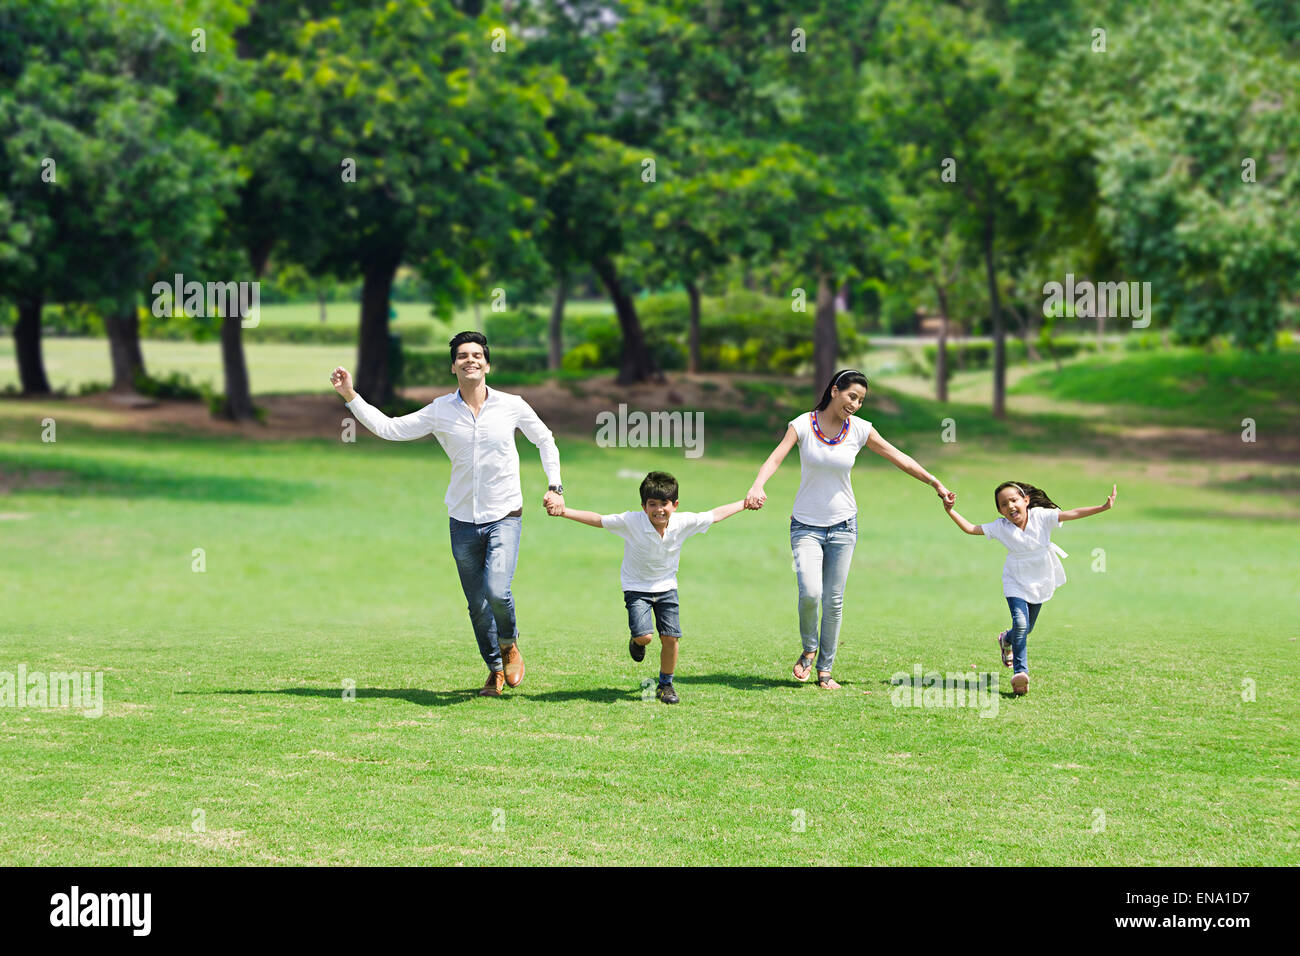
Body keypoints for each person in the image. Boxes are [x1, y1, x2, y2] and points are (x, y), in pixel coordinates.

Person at [329, 331, 566, 698]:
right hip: (462, 521)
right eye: (462, 356)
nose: (469, 360)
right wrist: (350, 397)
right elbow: (389, 428)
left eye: (476, 355)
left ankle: (509, 644)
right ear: (453, 366)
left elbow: (545, 439)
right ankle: (495, 669)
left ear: (487, 364)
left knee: (497, 590)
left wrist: (555, 486)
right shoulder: (440, 410)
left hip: (505, 515)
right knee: (476, 605)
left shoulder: (512, 405)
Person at [746, 369, 954, 689]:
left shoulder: (860, 429)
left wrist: (934, 481)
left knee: (834, 600)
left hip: (844, 525)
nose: (855, 404)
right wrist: (758, 485)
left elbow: (897, 456)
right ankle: (808, 649)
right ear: (834, 391)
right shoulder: (802, 424)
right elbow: (775, 458)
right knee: (810, 593)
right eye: (851, 396)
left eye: (860, 400)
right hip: (805, 525)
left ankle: (825, 671)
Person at [554, 471, 753, 704]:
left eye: (664, 504)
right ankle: (636, 640)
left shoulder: (682, 522)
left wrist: (745, 503)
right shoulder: (631, 522)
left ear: (675, 505)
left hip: (667, 586)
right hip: (636, 587)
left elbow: (714, 515)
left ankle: (665, 685)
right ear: (643, 506)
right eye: (652, 504)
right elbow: (598, 519)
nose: (659, 510)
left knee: (671, 638)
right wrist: (563, 511)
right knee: (646, 637)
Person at [942, 480, 1117, 695]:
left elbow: (1072, 513)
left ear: (1026, 501)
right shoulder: (1000, 527)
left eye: (1014, 500)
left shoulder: (1041, 516)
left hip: (1041, 576)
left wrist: (1103, 507)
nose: (1010, 506)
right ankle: (1020, 673)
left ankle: (1006, 639)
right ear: (1000, 510)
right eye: (1004, 504)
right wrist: (950, 510)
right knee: (1022, 624)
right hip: (1015, 579)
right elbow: (970, 528)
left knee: (1025, 629)